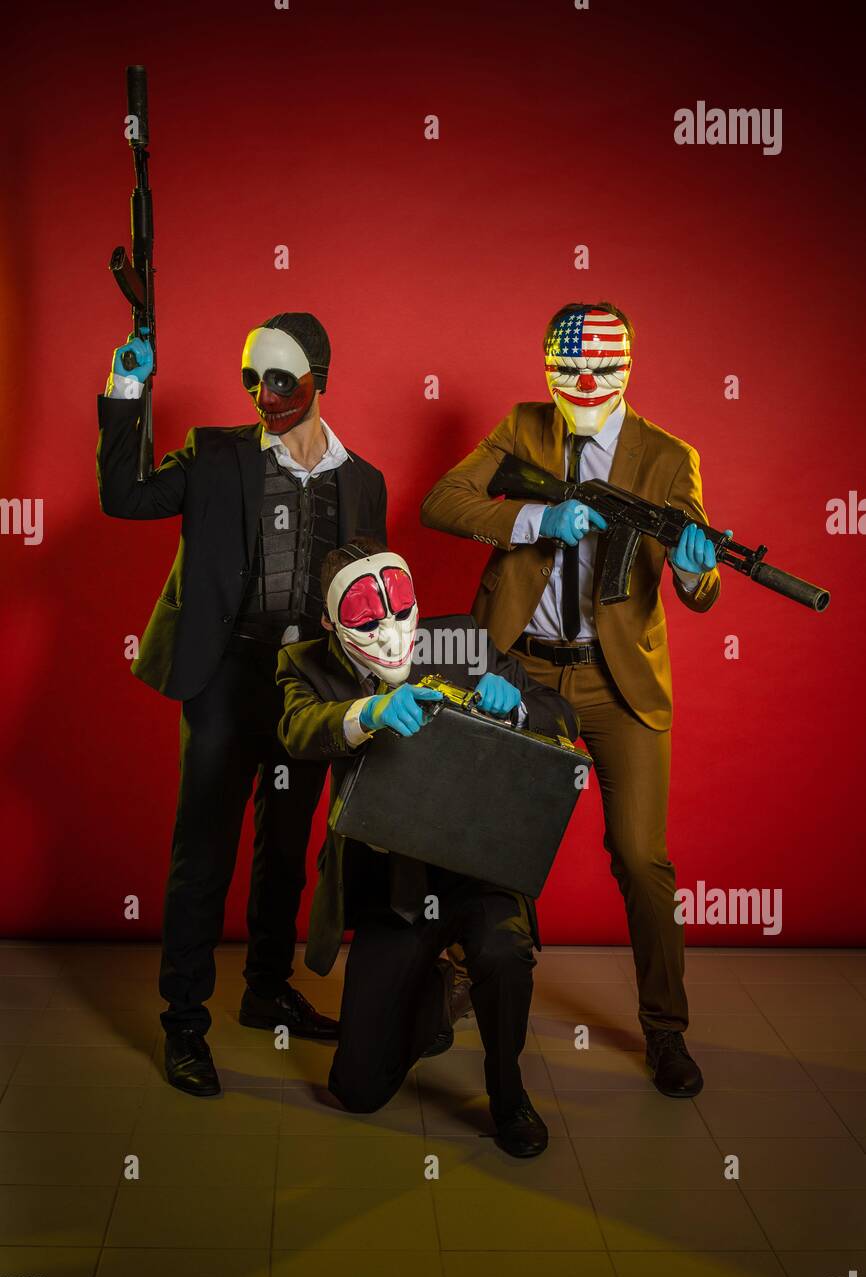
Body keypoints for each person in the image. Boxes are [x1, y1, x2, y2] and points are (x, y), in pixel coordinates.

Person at [421, 301, 733, 1099]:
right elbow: (441, 502)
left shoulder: (669, 457)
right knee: (487, 839)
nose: (586, 383)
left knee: (640, 856)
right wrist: (536, 517)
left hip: (618, 682)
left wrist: (695, 567)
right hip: (518, 667)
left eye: (601, 367)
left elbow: (701, 590)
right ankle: (460, 980)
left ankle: (665, 1029)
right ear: (547, 367)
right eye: (569, 368)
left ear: (629, 365)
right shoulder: (522, 428)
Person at [96, 312, 387, 1096]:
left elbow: (367, 597)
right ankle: (184, 1023)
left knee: (285, 849)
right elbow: (122, 496)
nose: (265, 395)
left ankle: (266, 989)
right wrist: (128, 386)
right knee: (204, 852)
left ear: (320, 378)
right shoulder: (215, 454)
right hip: (225, 677)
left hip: (308, 685)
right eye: (253, 380)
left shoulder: (364, 482)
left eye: (281, 379)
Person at [275, 539, 578, 1156]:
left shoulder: (462, 640)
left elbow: (562, 716)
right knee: (357, 1088)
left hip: (477, 867)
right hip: (394, 885)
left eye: (401, 612)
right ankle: (440, 995)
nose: (391, 637)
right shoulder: (305, 663)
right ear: (330, 623)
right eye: (367, 622)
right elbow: (297, 729)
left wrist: (519, 705)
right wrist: (370, 712)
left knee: (503, 952)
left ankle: (508, 1092)